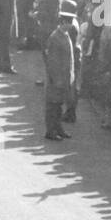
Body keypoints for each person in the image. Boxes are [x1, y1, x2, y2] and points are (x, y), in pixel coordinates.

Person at [43, 11, 75, 141]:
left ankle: (58, 128)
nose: (71, 25)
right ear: (62, 22)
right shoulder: (55, 37)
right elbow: (52, 62)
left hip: (65, 77)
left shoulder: (65, 35)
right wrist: (57, 80)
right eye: (68, 22)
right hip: (57, 79)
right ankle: (50, 131)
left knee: (59, 105)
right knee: (53, 105)